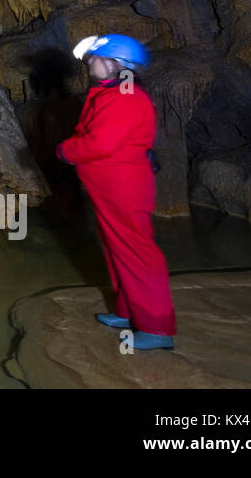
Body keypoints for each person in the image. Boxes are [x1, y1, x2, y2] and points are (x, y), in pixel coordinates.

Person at [56, 34, 176, 350]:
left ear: (114, 63)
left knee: (137, 254)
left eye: (94, 58)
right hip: (110, 188)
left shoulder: (124, 96)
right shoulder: (112, 92)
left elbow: (100, 143)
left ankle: (156, 327)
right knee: (116, 250)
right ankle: (128, 312)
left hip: (123, 188)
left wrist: (65, 150)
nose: (89, 64)